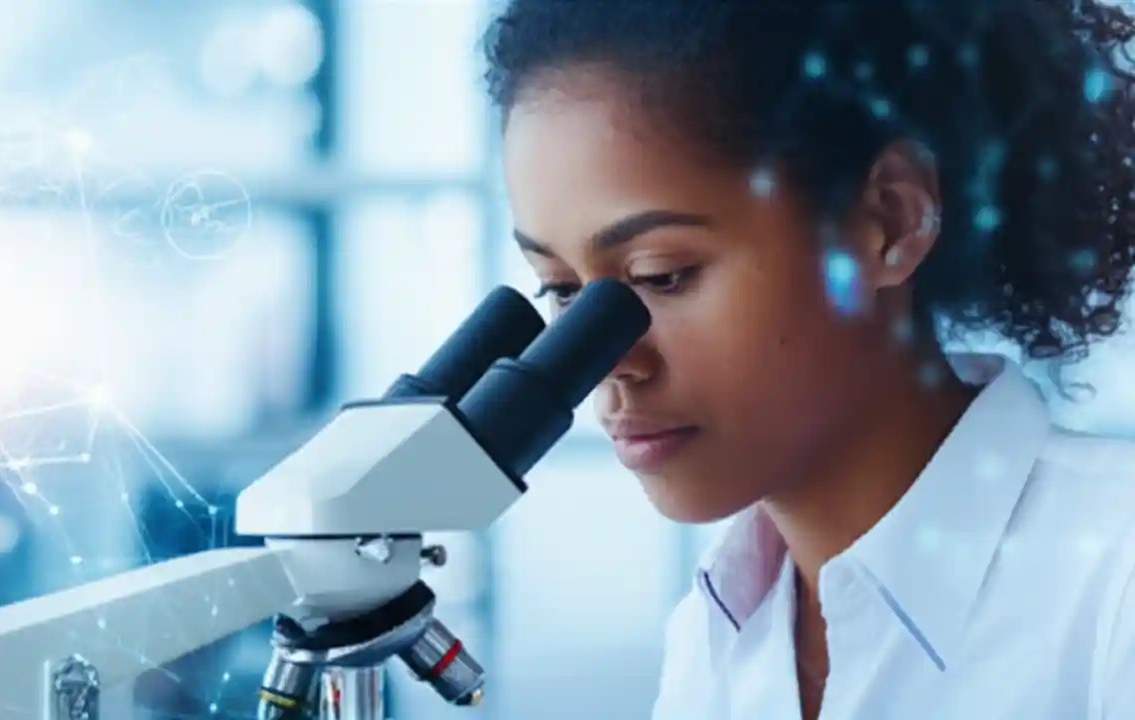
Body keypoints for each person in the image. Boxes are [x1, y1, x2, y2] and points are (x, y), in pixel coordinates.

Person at [483, 1, 1135, 718]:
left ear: (887, 221)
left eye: (662, 274)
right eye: (563, 291)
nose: (608, 362)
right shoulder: (714, 638)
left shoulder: (1113, 584)